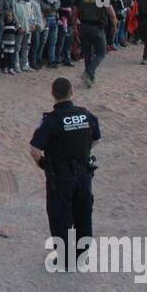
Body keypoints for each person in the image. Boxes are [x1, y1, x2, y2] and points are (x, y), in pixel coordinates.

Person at [28, 76, 101, 271]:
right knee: (83, 213)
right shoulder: (85, 115)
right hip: (84, 173)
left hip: (60, 175)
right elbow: (96, 139)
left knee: (60, 216)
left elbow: (35, 150)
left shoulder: (51, 121)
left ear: (53, 94)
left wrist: (45, 165)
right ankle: (81, 255)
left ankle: (65, 259)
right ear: (72, 93)